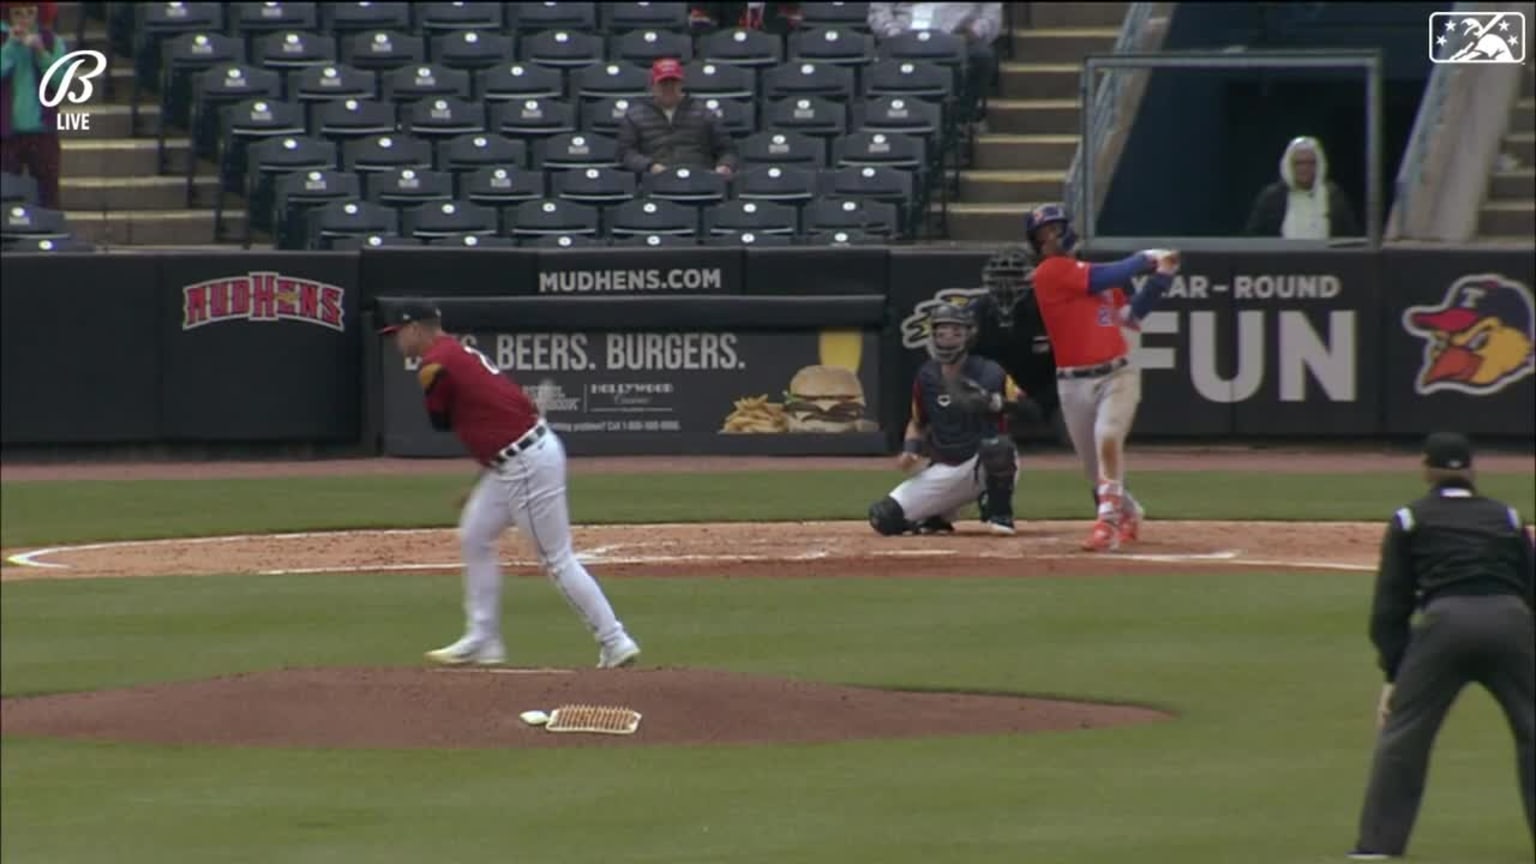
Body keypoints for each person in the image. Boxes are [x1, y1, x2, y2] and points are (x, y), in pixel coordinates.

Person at [380, 300, 642, 670]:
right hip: (513, 460)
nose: (396, 342)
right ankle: (483, 640)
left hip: (526, 462)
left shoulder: (436, 363)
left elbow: (439, 422)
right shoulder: (459, 353)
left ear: (416, 329)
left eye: (398, 333)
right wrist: (480, 480)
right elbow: (508, 412)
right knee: (475, 535)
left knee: (556, 560)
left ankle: (614, 640)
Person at [1348, 432, 1533, 861]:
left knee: (1405, 736)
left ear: (1426, 469)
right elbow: (1532, 587)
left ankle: (1378, 846)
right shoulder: (1505, 517)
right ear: (1471, 469)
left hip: (1443, 626)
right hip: (1510, 621)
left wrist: (1394, 671)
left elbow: (1391, 605)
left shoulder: (1410, 519)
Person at [1023, 203, 1176, 552]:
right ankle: (1130, 511)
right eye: (1043, 236)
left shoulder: (1105, 276)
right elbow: (1103, 277)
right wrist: (1149, 258)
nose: (1051, 239)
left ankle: (1106, 523)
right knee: (1094, 471)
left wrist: (1162, 278)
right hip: (1071, 382)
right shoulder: (1050, 273)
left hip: (1117, 374)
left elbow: (1132, 316)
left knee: (1107, 437)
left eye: (1054, 230)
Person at [867, 301, 1027, 537]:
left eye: (955, 332)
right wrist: (910, 449)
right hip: (946, 465)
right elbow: (917, 422)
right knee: (883, 517)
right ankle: (938, 514)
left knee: (998, 446)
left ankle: (999, 510)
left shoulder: (990, 372)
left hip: (983, 462)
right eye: (941, 332)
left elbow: (1029, 409)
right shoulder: (927, 376)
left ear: (968, 335)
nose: (947, 338)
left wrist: (996, 403)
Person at [965, 245, 1058, 524]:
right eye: (1000, 277)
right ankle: (986, 491)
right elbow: (963, 366)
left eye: (1014, 277)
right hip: (991, 390)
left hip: (1040, 389)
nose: (1006, 285)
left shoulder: (1046, 310)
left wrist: (1039, 400)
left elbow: (1063, 362)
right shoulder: (976, 312)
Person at [868, 3, 1002, 123]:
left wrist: (972, 32)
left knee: (982, 56)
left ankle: (960, 120)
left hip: (956, 35)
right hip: (903, 32)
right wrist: (893, 32)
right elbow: (879, 10)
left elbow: (991, 15)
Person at [616, 57, 739, 177]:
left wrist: (725, 165)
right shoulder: (634, 116)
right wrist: (650, 166)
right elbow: (626, 153)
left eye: (673, 82)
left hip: (699, 178)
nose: (669, 88)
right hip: (655, 180)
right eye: (663, 83)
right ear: (653, 86)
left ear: (681, 84)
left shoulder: (703, 113)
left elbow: (727, 150)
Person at [1, 1, 65, 209]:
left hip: (43, 132)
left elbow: (61, 83)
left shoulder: (52, 41)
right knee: (6, 201)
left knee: (48, 197)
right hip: (6, 135)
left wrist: (41, 54)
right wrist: (10, 49)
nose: (24, 19)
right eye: (18, 13)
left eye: (30, 13)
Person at [1244, 136, 1361, 240]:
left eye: (1310, 163)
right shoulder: (1272, 197)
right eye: (1299, 163)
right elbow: (1253, 238)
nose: (1305, 168)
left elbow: (1350, 237)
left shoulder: (1334, 196)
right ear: (1289, 165)